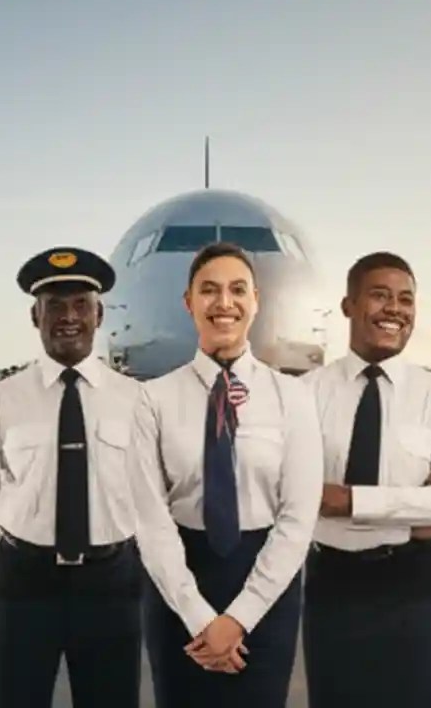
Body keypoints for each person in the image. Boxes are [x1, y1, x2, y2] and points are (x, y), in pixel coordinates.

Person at [127, 241, 322, 708]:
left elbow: (297, 519)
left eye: (237, 289)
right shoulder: (154, 400)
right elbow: (151, 521)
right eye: (209, 290)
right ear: (188, 302)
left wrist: (238, 619)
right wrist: (200, 618)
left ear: (256, 300)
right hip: (179, 588)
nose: (224, 302)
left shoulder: (292, 398)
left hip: (265, 586)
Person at [300, 251, 431, 707]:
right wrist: (416, 503)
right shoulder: (305, 394)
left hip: (415, 584)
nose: (394, 309)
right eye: (380, 296)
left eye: (406, 299)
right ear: (348, 305)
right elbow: (294, 494)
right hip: (332, 584)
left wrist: (350, 501)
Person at [0, 248, 144, 708]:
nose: (68, 317)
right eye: (54, 305)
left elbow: (151, 495)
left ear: (99, 314)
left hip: (110, 585)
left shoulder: (137, 401)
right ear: (35, 316)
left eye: (80, 305)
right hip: (24, 584)